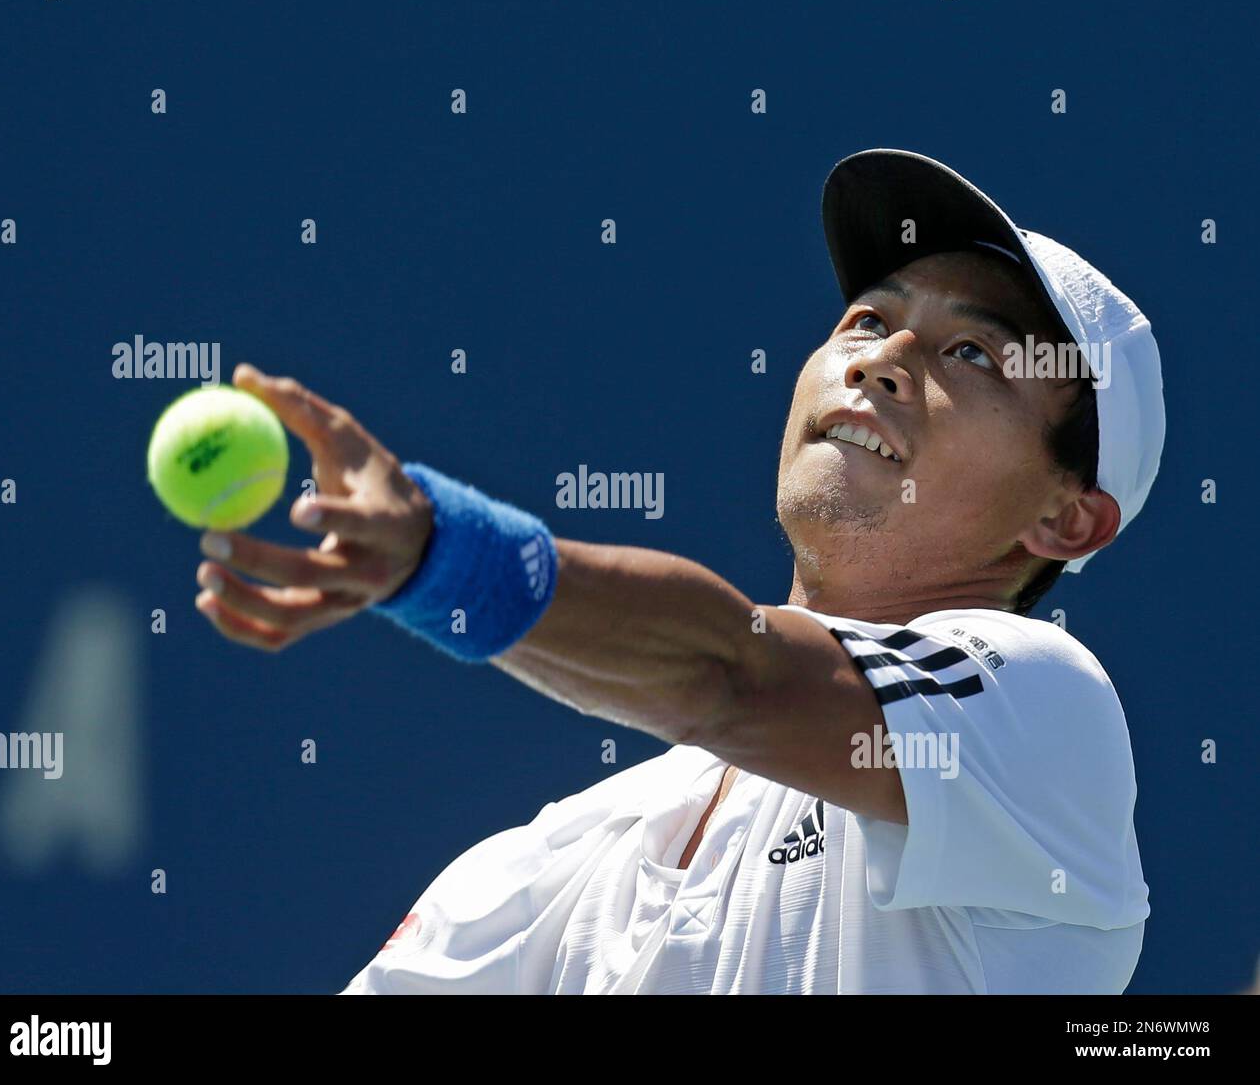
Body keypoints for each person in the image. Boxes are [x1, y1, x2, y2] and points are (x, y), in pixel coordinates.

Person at [194, 149, 1165, 994]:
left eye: (972, 352)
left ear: (1065, 518)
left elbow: (736, 676)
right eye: (867, 320)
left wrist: (449, 555)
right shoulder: (548, 863)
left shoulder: (1046, 715)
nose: (881, 361)